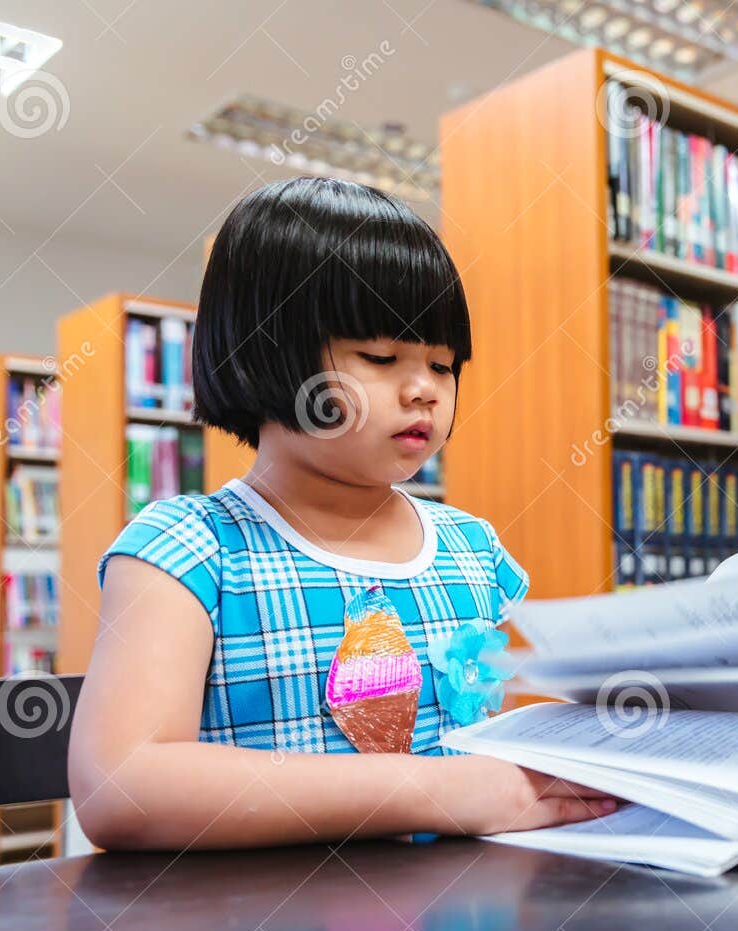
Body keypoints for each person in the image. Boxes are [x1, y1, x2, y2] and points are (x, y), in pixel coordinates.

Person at [69, 177, 616, 850]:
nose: (422, 391)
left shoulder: (473, 548)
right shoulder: (188, 551)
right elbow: (122, 785)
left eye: (443, 366)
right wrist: (448, 791)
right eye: (381, 357)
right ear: (265, 349)